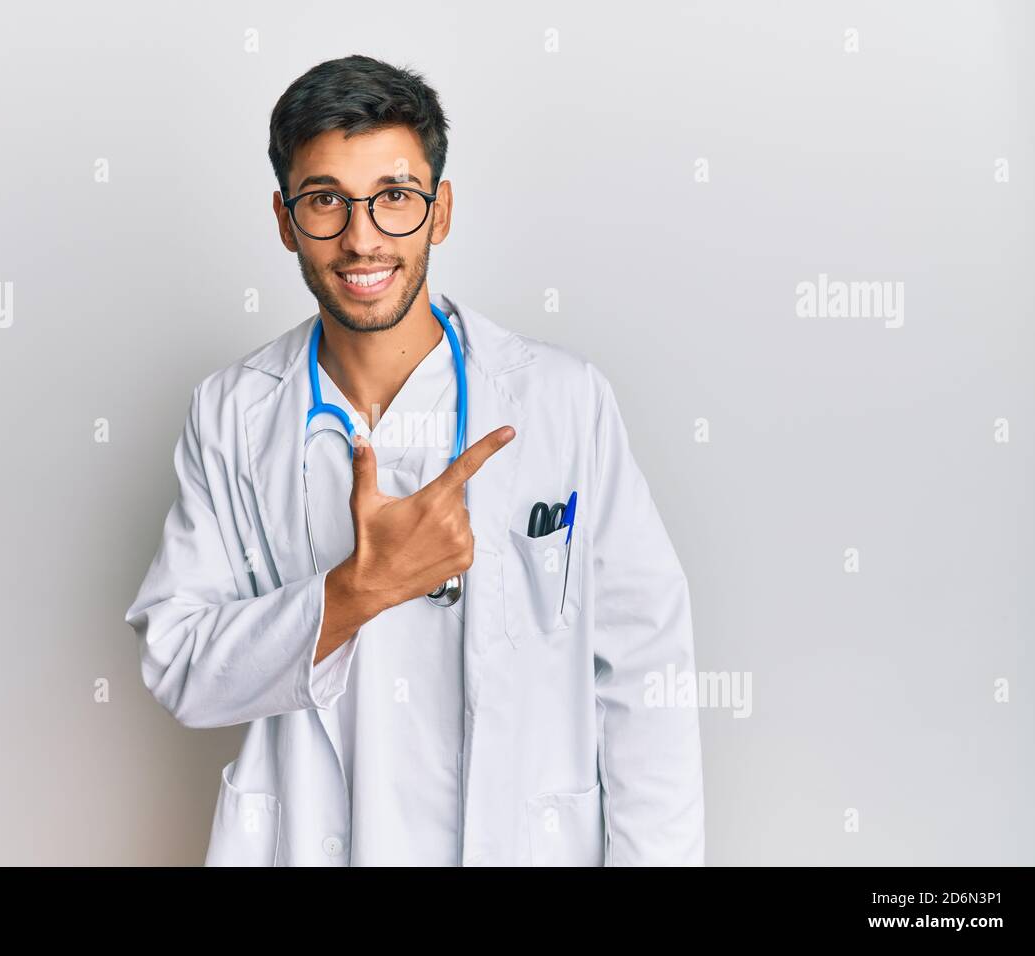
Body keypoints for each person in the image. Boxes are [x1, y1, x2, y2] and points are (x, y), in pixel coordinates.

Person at [125, 54, 704, 866]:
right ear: (285, 220)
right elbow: (180, 665)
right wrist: (354, 593)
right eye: (325, 200)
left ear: (441, 212)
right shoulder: (230, 415)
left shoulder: (562, 402)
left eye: (394, 197)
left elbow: (648, 671)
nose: (361, 237)